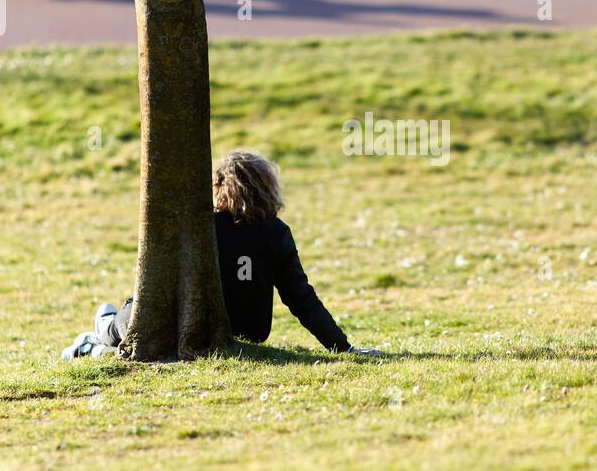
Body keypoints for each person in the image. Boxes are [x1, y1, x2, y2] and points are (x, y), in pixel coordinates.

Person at [63, 151, 381, 359]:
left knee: (126, 317)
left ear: (218, 186)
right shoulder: (276, 233)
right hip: (249, 330)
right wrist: (342, 346)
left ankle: (99, 333)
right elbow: (302, 299)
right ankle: (97, 343)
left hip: (186, 325)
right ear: (267, 189)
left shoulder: (204, 228)